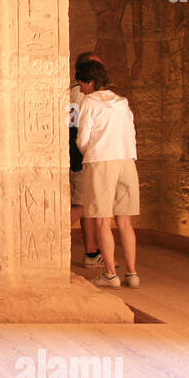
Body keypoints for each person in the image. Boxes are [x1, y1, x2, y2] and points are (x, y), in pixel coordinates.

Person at [74, 58, 140, 289]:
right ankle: (132, 273)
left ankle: (110, 274)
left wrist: (88, 153)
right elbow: (131, 133)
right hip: (127, 160)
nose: (80, 88)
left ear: (90, 83)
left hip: (101, 160)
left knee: (102, 220)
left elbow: (83, 138)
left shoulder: (89, 102)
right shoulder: (122, 102)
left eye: (81, 83)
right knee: (125, 221)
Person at [68, 51, 104, 269]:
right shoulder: (83, 95)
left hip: (75, 155)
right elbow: (78, 129)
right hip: (83, 156)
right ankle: (50, 234)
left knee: (86, 205)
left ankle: (91, 252)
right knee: (87, 203)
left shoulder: (74, 93)